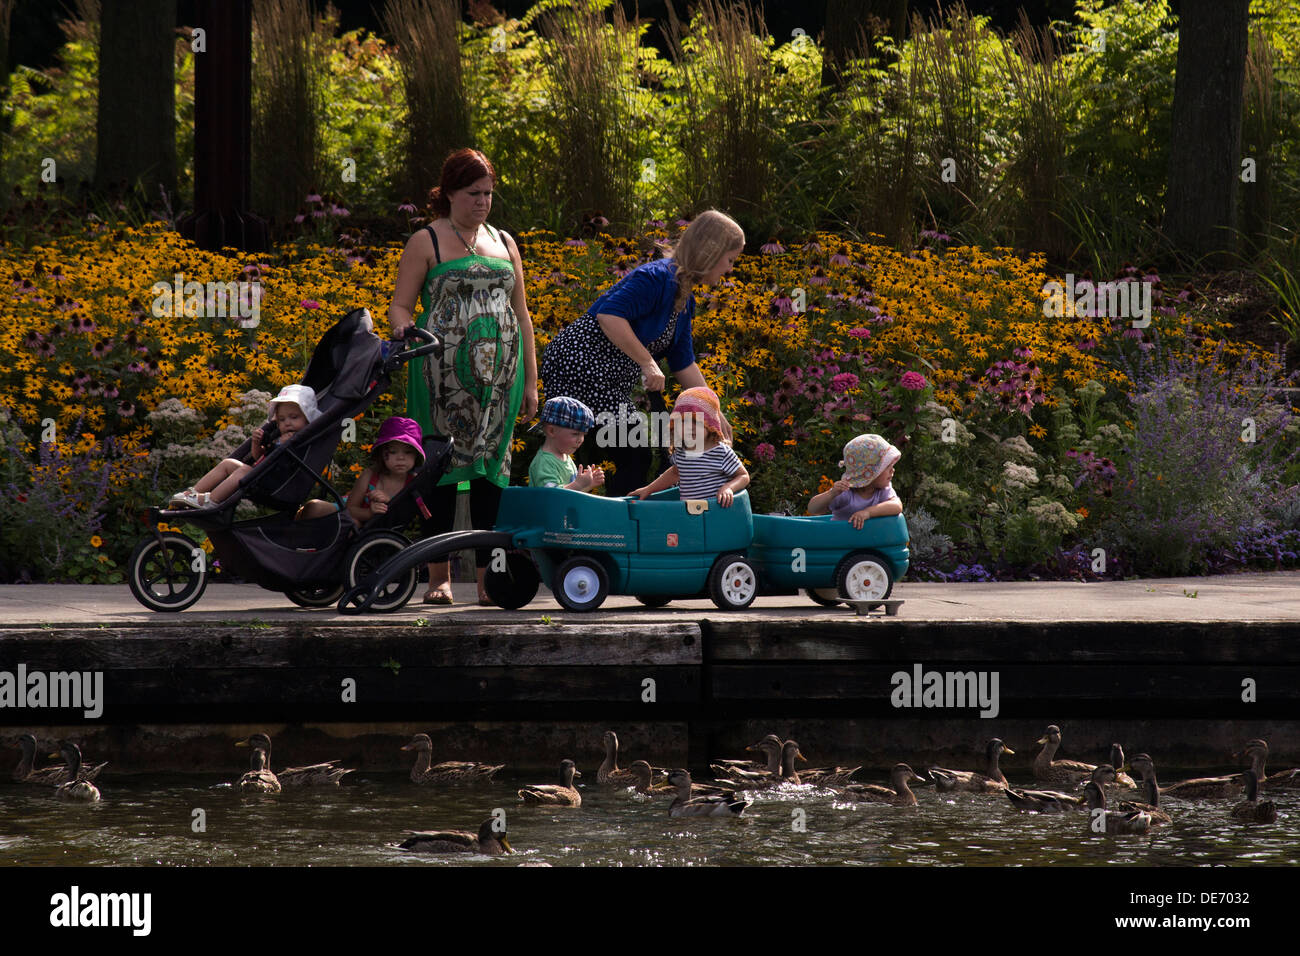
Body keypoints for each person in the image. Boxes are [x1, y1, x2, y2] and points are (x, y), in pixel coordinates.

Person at [388, 148, 538, 606]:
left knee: (492, 475)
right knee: (441, 472)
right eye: (474, 193)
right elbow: (400, 304)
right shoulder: (426, 241)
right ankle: (439, 579)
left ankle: (488, 583)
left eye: (489, 193)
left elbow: (523, 315)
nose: (483, 202)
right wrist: (401, 328)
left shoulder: (504, 241)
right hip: (440, 378)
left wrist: (531, 382)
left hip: (501, 381)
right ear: (449, 193)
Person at [541, 209, 744, 496]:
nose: (729, 268)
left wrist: (714, 410)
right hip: (578, 367)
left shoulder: (685, 299)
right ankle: (611, 528)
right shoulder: (656, 277)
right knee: (631, 451)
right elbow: (609, 316)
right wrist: (648, 364)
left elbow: (683, 362)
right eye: (730, 259)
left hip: (609, 382)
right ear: (711, 251)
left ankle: (608, 521)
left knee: (631, 451)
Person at [169, 384, 318, 509]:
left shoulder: (303, 442)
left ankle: (211, 501)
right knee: (229, 464)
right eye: (282, 419)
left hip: (278, 487)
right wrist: (256, 443)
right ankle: (192, 493)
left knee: (244, 471)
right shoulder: (278, 435)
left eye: (294, 417)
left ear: (307, 418)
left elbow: (286, 466)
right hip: (261, 476)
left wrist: (285, 447)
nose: (287, 423)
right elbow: (258, 458)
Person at [630, 386, 749, 507]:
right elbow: (675, 473)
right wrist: (649, 489)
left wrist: (728, 488)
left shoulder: (721, 452)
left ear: (710, 425)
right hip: (690, 514)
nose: (689, 427)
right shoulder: (682, 452)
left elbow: (743, 476)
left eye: (697, 422)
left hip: (716, 512)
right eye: (684, 421)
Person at [808, 434, 904, 529]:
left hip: (873, 542)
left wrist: (868, 512)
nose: (893, 470)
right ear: (869, 473)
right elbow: (813, 509)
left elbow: (897, 506)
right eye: (887, 466)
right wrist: (831, 493)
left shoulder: (883, 490)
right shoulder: (846, 493)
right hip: (842, 541)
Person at [346, 416, 425, 527]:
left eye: (408, 452)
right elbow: (349, 510)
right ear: (381, 454)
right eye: (393, 452)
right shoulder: (369, 476)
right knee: (317, 508)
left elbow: (412, 517)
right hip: (358, 522)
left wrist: (390, 504)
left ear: (416, 455)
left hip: (385, 533)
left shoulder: (414, 483)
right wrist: (369, 513)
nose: (401, 458)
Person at [528, 397, 606, 492]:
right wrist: (578, 484)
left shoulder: (565, 457)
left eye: (583, 435)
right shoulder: (544, 462)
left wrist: (589, 484)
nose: (580, 440)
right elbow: (551, 496)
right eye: (575, 434)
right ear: (551, 431)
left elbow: (572, 494)